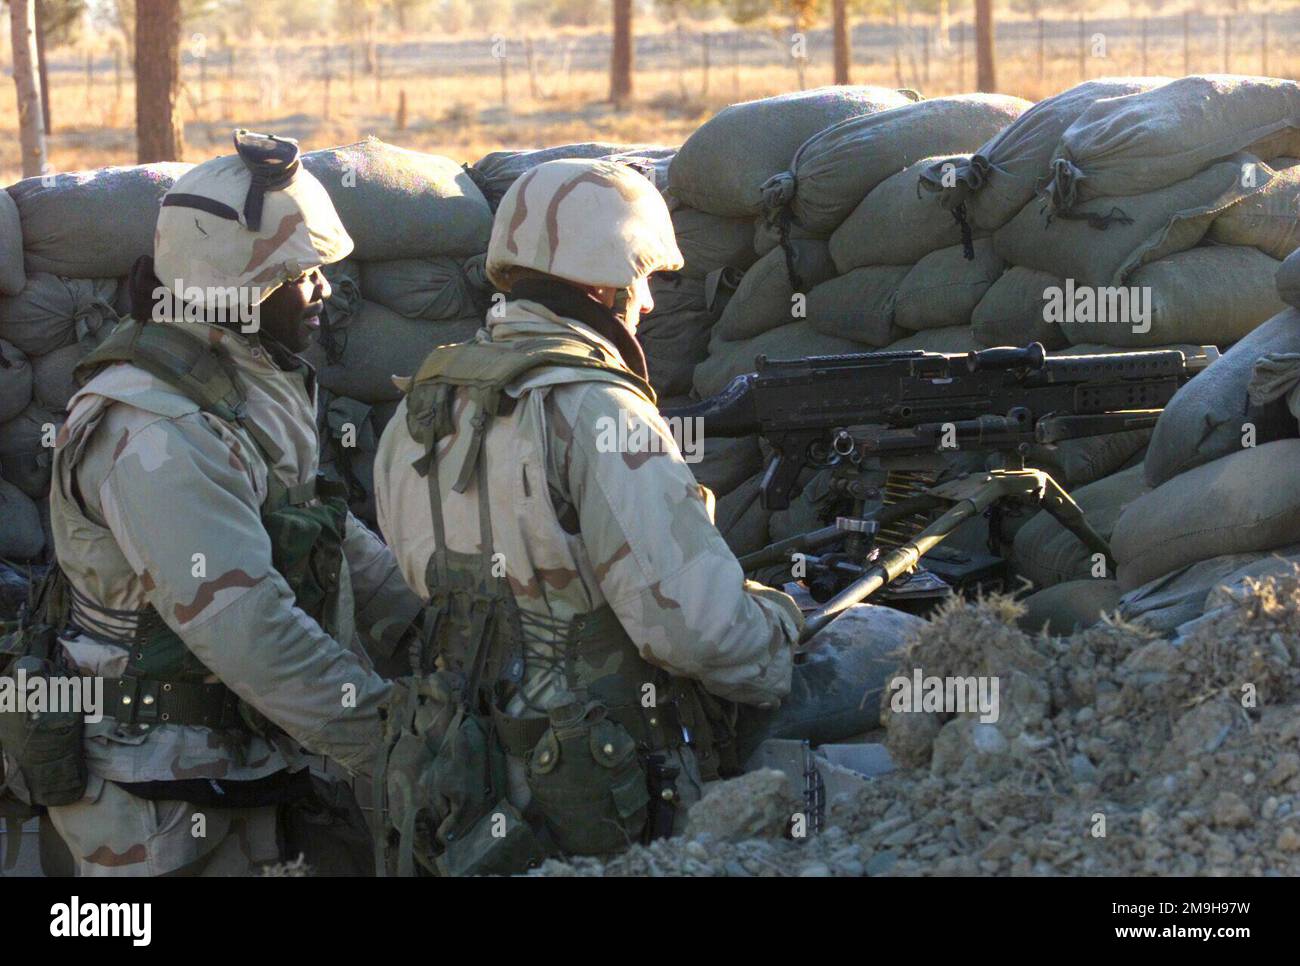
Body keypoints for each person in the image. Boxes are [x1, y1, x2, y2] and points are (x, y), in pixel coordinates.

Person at [370, 159, 910, 874]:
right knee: (899, 680)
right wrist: (782, 624)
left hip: (465, 781)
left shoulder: (417, 408)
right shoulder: (597, 409)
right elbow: (701, 634)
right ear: (603, 283)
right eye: (643, 279)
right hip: (602, 784)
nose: (649, 304)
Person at [33, 131, 420, 876]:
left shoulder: (247, 385)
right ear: (241, 288)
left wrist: (428, 629)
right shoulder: (156, 426)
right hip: (159, 797)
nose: (324, 292)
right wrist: (393, 738)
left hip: (247, 759)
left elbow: (323, 531)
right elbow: (245, 627)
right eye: (302, 276)